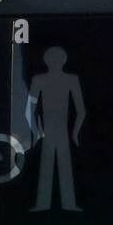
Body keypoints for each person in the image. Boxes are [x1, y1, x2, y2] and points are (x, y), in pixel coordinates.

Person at [25, 46, 86, 212]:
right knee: (58, 166)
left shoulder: (42, 80)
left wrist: (36, 132)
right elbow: (80, 110)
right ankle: (63, 204)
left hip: (52, 129)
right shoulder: (67, 80)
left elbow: (29, 109)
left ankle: (49, 204)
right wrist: (74, 133)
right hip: (57, 129)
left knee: (52, 166)